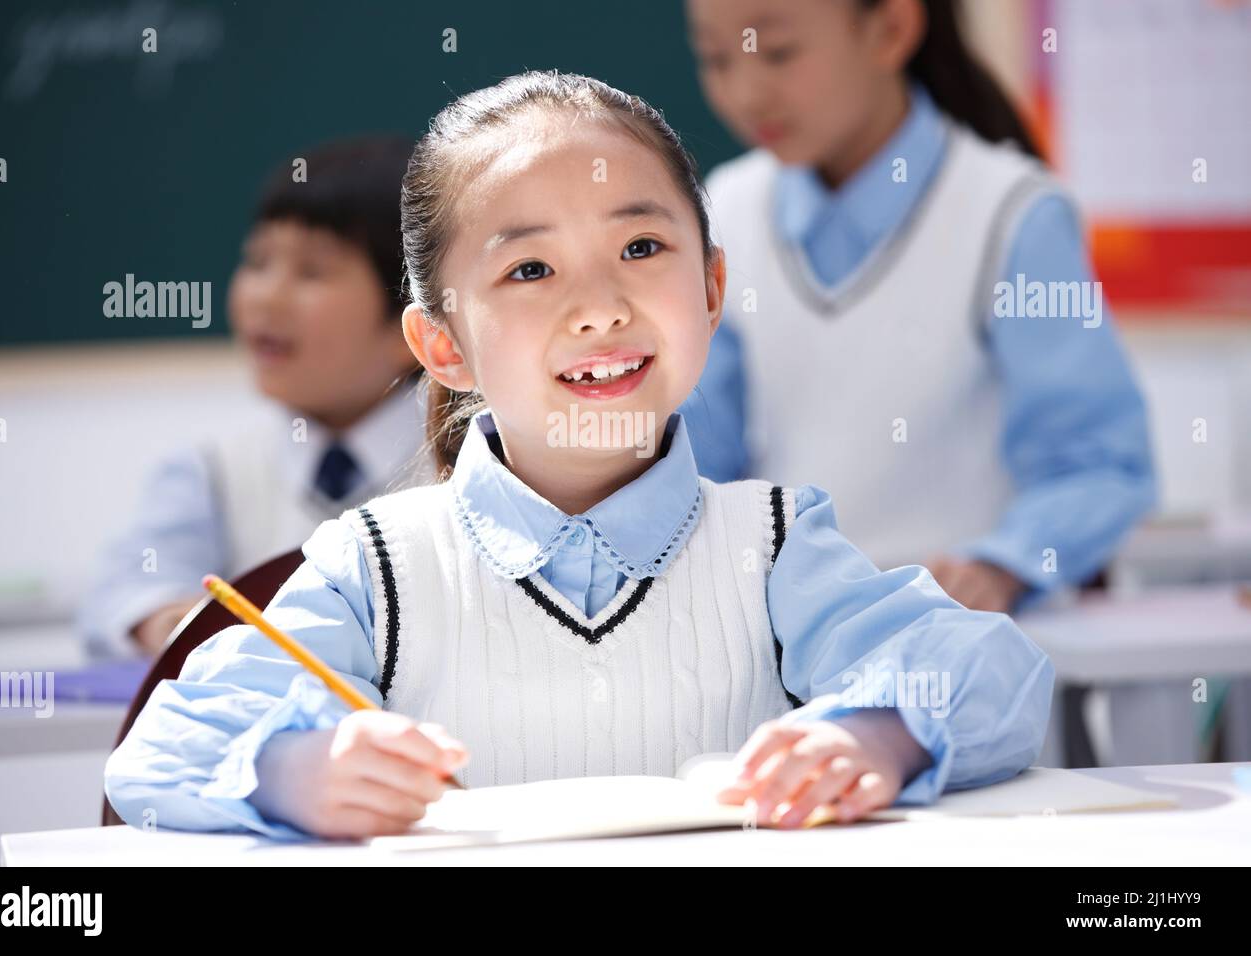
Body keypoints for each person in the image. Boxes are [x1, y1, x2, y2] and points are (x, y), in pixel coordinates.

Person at [105, 71, 1052, 840]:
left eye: (642, 245)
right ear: (442, 345)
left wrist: (877, 735)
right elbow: (159, 751)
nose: (600, 306)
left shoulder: (775, 545)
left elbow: (990, 672)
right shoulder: (374, 568)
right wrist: (293, 770)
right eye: (529, 269)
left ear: (714, 287)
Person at [678, 0, 1156, 612]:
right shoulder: (726, 213)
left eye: (777, 52)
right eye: (716, 58)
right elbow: (700, 459)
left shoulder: (1011, 215)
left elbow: (1102, 466)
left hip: (963, 649)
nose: (745, 91)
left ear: (891, 30)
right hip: (789, 651)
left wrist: (1003, 565)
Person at [79, 137, 426, 658]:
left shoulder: (473, 460)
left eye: (311, 272)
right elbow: (121, 594)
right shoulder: (212, 472)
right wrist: (172, 621)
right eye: (258, 262)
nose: (266, 295)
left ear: (414, 327)